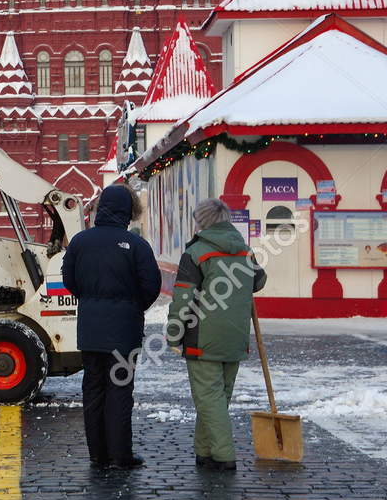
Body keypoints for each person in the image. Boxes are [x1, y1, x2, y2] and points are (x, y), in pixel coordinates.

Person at [61, 183, 161, 469]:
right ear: (128, 211)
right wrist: (133, 306)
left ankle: (97, 455)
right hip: (124, 332)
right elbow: (151, 285)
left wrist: (90, 300)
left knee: (93, 390)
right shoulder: (137, 245)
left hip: (90, 330)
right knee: (119, 390)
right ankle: (120, 455)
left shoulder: (80, 241)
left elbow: (69, 279)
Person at [169, 198, 267, 472]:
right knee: (216, 397)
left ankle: (224, 456)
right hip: (236, 336)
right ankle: (205, 451)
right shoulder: (245, 251)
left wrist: (173, 333)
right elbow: (259, 281)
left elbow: (183, 298)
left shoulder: (197, 253)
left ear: (201, 222)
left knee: (209, 398)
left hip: (203, 336)